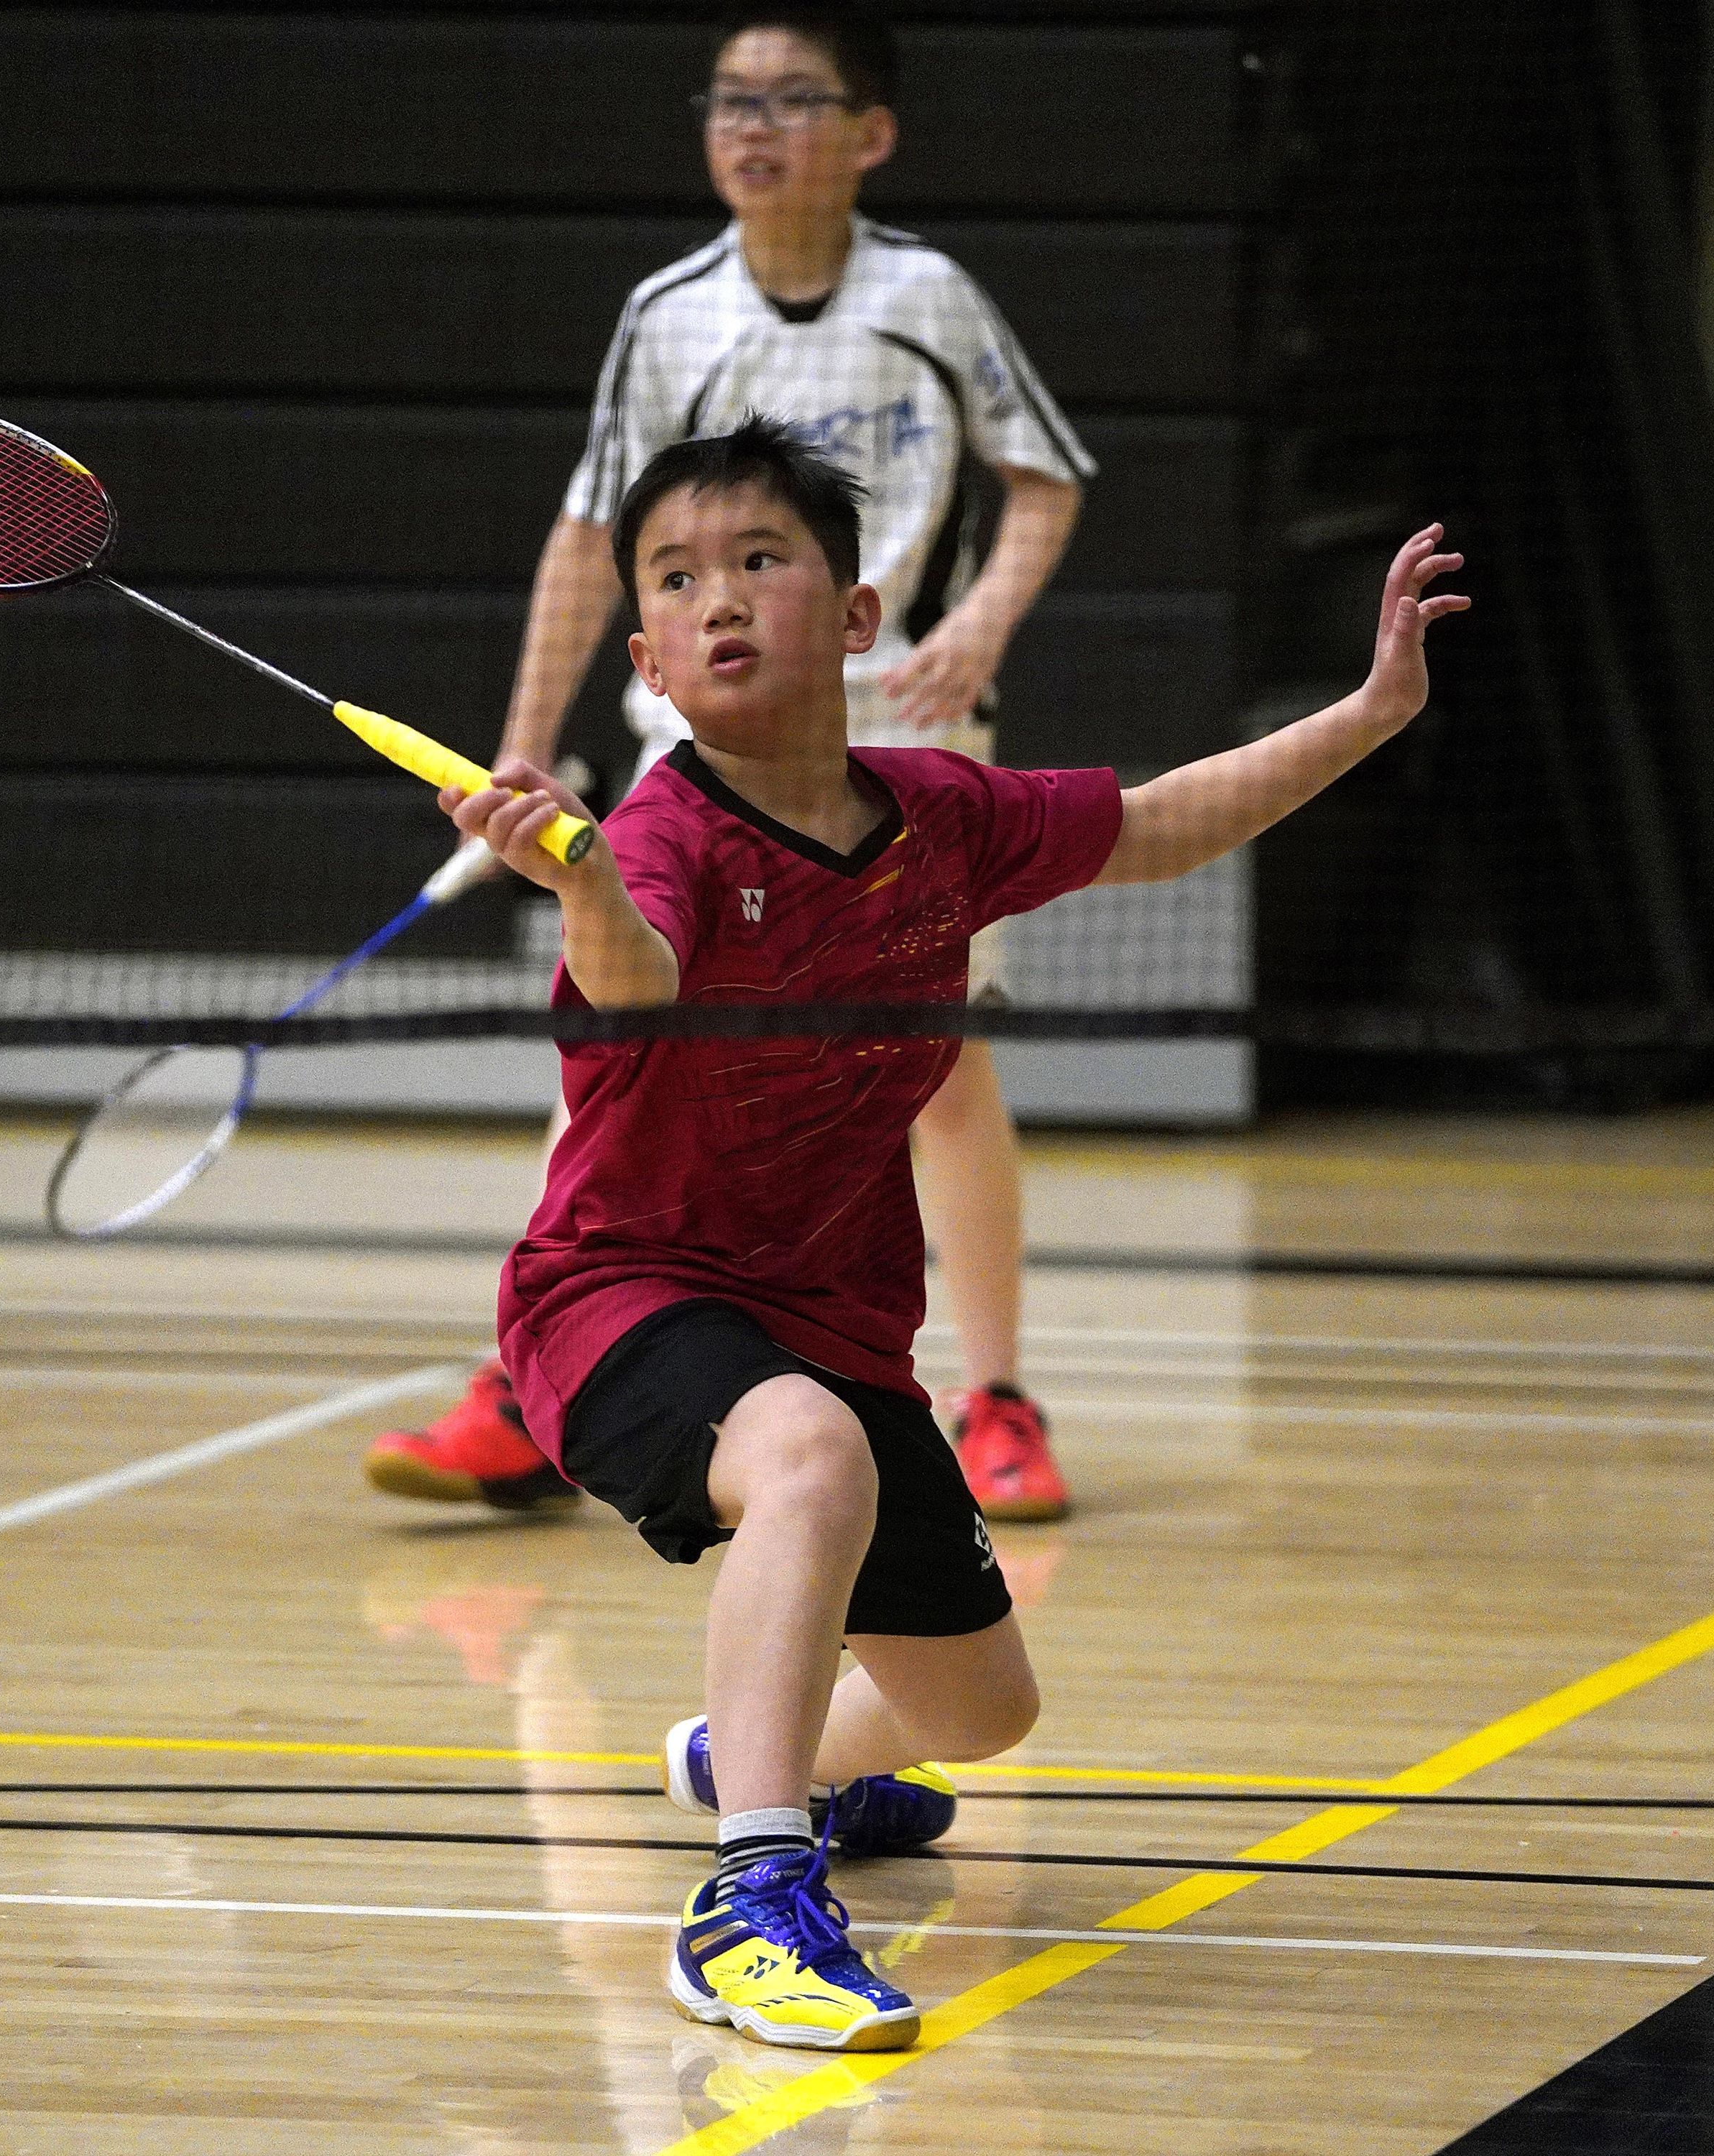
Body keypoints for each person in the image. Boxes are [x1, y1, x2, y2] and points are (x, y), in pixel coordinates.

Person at [434, 417, 1466, 2048]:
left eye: (760, 562)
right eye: (679, 580)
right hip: (624, 1304)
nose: (719, 602)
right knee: (808, 1465)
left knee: (980, 1710)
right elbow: (638, 983)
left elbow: (1162, 824)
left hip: (835, 1324)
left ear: (855, 616)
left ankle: (746, 1759)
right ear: (643, 654)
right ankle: (750, 1897)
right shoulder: (658, 844)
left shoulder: (942, 817)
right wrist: (582, 899)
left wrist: (1369, 711)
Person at [367, 3, 1092, 1524]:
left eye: (792, 99)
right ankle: (534, 1383)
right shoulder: (668, 313)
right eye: (729, 100)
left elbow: (1044, 479)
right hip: (692, 758)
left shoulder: (931, 297)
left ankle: (1001, 1398)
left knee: (938, 1073)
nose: (752, 126)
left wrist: (976, 627)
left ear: (871, 134)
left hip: (900, 735)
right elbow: (591, 531)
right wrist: (521, 729)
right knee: (619, 1055)